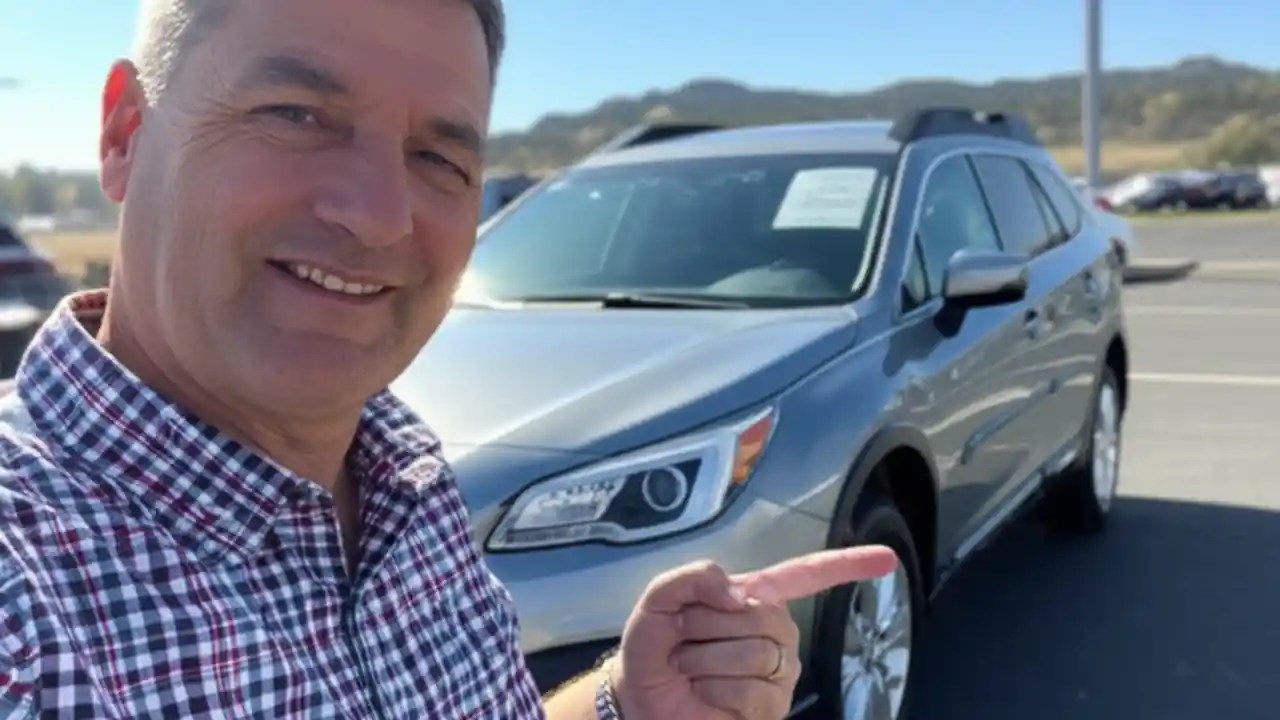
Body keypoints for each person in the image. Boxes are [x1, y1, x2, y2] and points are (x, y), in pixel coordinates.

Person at [0, 1, 897, 718]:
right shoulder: (27, 601)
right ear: (124, 133)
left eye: (437, 157)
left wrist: (627, 701)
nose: (381, 215)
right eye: (296, 114)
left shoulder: (403, 477)